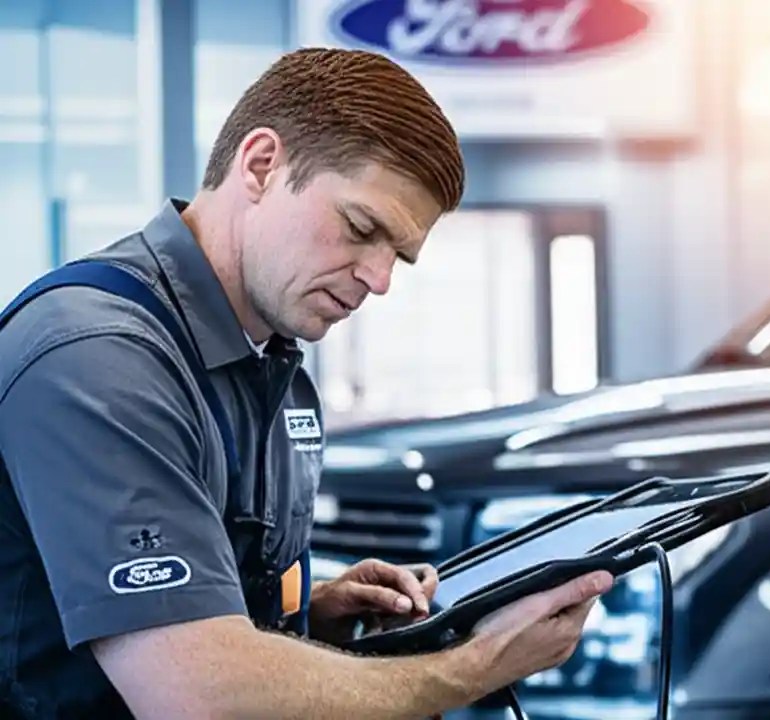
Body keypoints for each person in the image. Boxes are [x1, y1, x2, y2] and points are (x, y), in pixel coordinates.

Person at [0, 47, 613, 718]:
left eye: (398, 256)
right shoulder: (97, 358)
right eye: (360, 228)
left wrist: (306, 619)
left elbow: (166, 616)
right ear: (261, 164)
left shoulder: (274, 368)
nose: (379, 280)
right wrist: (473, 667)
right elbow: (198, 700)